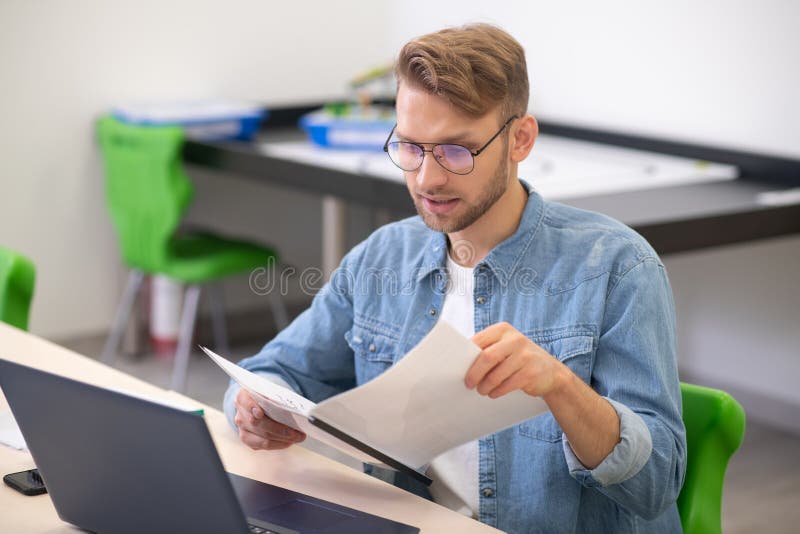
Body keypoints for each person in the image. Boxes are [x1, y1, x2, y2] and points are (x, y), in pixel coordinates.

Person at [224, 23, 686, 533]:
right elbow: (272, 370)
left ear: (520, 139)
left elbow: (657, 485)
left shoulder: (617, 266)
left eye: (457, 150)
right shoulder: (382, 257)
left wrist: (560, 386)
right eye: (410, 147)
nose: (427, 178)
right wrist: (252, 409)